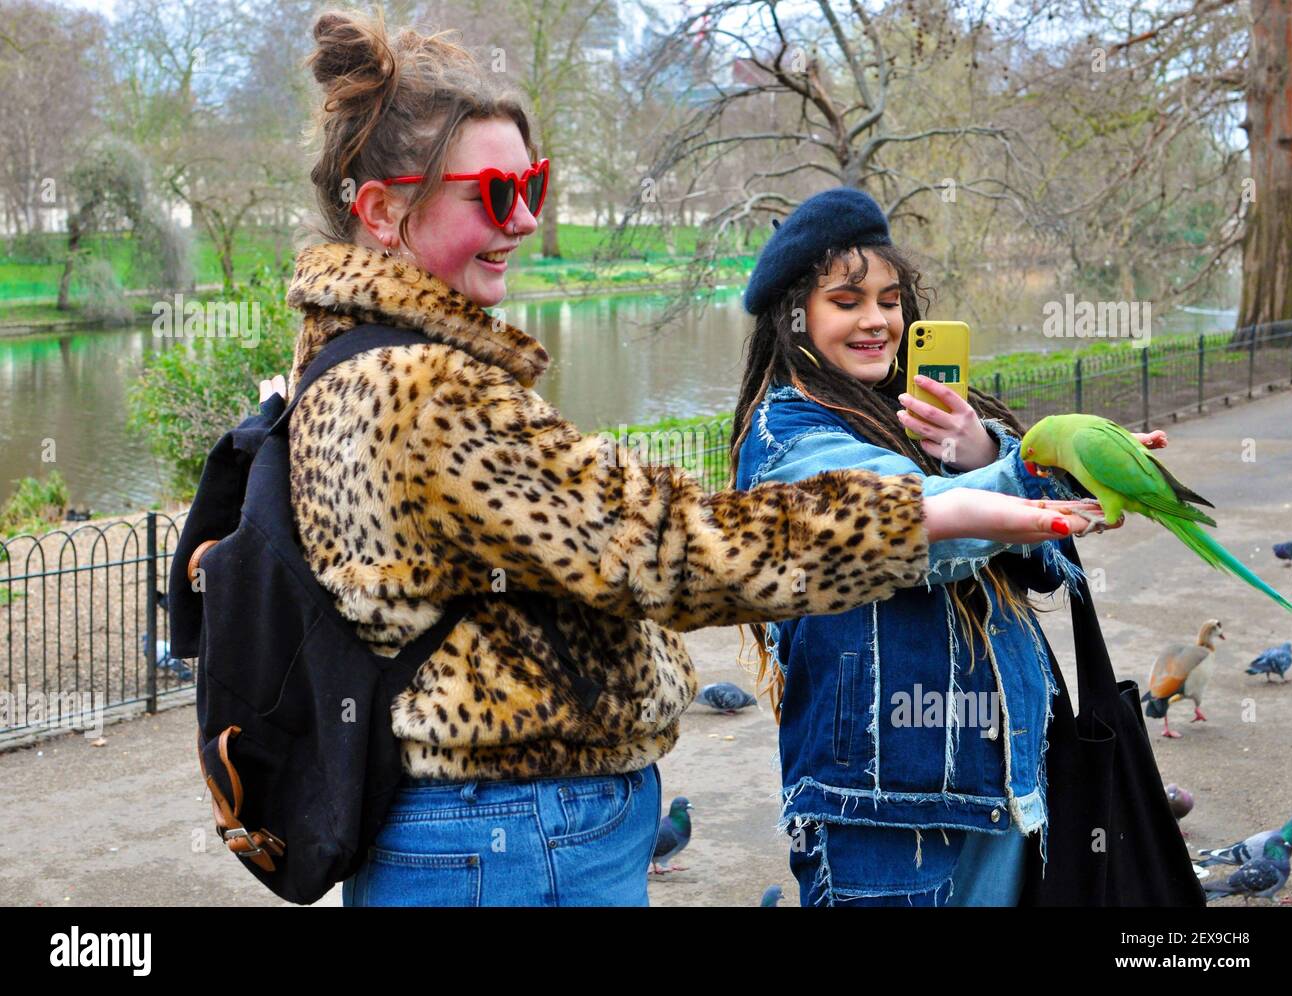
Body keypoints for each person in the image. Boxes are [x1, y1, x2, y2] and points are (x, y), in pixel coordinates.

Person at [276, 10, 1103, 907]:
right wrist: (927, 512)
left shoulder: (368, 358)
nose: (526, 220)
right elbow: (661, 545)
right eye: (492, 194)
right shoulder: (423, 388)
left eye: (535, 185)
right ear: (382, 212)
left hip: (502, 832)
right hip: (510, 838)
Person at [731, 187, 1163, 906]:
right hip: (887, 821)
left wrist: (978, 451)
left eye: (890, 298)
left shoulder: (920, 416)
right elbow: (913, 523)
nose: (877, 320)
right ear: (795, 316)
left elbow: (1047, 569)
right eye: (847, 301)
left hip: (1010, 792)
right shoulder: (788, 439)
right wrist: (1020, 471)